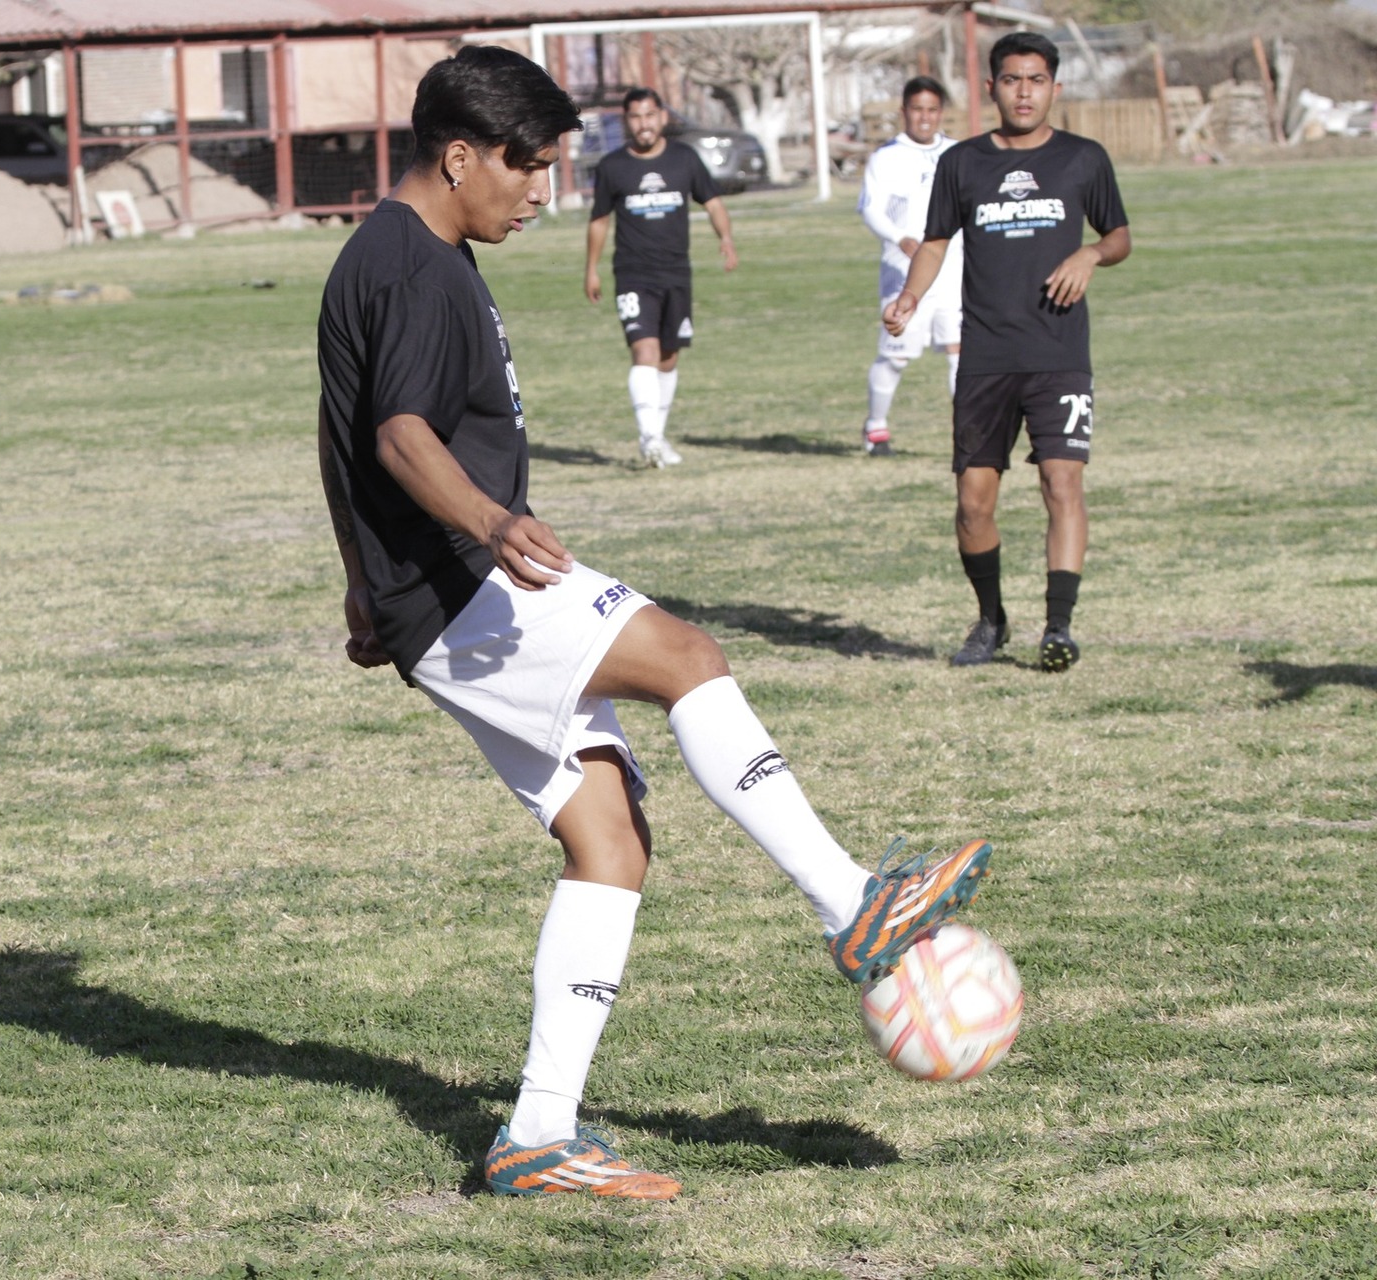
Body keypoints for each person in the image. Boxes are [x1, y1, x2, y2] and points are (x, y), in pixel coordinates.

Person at [318, 45, 992, 1202]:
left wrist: (361, 579)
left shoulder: (396, 253)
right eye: (527, 168)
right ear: (459, 154)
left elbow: (343, 427)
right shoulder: (415, 266)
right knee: (689, 655)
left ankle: (537, 1132)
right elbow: (395, 436)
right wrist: (482, 521)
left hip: (432, 591)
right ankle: (855, 909)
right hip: (469, 585)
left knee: (611, 842)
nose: (540, 191)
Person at [885, 31, 1130, 672]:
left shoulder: (1084, 159)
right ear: (990, 87)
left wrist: (1090, 252)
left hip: (1059, 351)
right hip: (986, 355)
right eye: (1013, 80)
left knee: (1062, 480)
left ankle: (1060, 626)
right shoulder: (962, 163)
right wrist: (910, 298)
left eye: (1037, 80)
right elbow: (935, 241)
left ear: (1055, 87)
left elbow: (1120, 235)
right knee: (972, 501)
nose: (1025, 91)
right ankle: (991, 619)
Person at [583, 88, 738, 469]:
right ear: (626, 121)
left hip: (677, 273)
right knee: (644, 351)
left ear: (662, 117)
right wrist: (591, 268)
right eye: (635, 117)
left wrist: (727, 239)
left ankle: (657, 436)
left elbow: (713, 202)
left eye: (649, 115)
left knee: (668, 358)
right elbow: (599, 220)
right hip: (633, 273)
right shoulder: (613, 166)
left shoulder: (684, 159)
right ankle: (649, 439)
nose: (643, 124)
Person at [857, 77, 963, 457]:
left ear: (941, 113)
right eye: (917, 109)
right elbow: (870, 208)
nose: (925, 117)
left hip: (954, 272)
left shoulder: (957, 152)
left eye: (932, 110)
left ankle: (965, 435)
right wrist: (899, 237)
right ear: (904, 112)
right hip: (905, 272)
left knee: (960, 352)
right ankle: (876, 427)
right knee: (896, 355)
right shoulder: (887, 157)